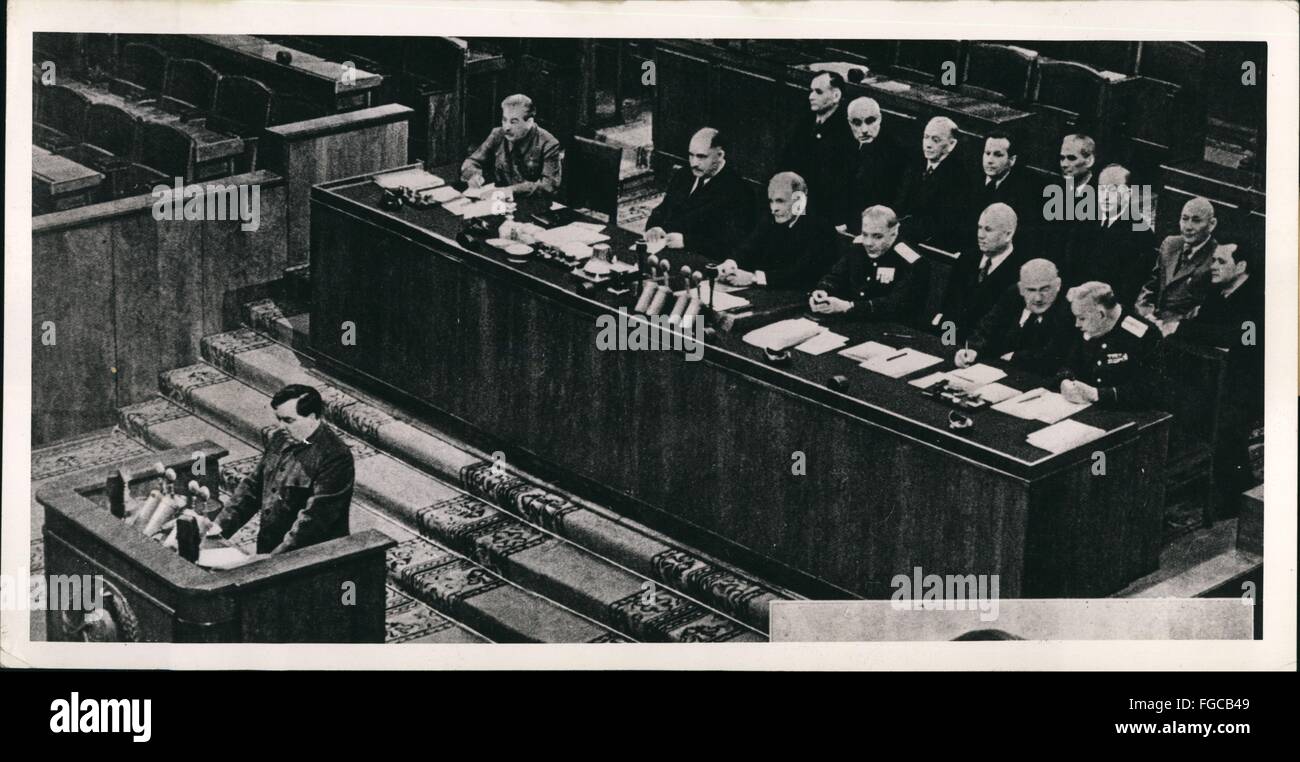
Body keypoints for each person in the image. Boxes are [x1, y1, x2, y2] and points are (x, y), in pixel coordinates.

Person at [208, 384, 356, 555]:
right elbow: (252, 487)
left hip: (310, 557)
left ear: (313, 417)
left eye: (288, 420)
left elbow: (314, 520)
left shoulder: (335, 456)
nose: (281, 427)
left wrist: (273, 559)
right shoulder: (280, 438)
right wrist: (217, 529)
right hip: (270, 549)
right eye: (279, 419)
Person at [1172, 243, 1264, 517]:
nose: (1212, 266)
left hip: (1247, 386)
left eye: (1220, 261)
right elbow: (1208, 330)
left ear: (1241, 267)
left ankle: (1236, 499)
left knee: (1224, 430)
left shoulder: (1257, 300)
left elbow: (1241, 339)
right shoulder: (1216, 292)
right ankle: (1195, 480)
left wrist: (1184, 327)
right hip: (1213, 378)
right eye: (1213, 260)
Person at [644, 127, 754, 260]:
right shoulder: (683, 175)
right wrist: (654, 227)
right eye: (691, 155)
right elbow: (663, 208)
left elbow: (731, 244)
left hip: (700, 260)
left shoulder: (738, 190)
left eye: (701, 157)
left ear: (720, 155)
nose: (694, 163)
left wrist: (687, 242)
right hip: (666, 252)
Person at [717, 172, 838, 291]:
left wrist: (754, 278)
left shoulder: (820, 228)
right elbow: (749, 246)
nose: (773, 208)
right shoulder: (771, 218)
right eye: (771, 201)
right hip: (771, 292)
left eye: (780, 201)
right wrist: (731, 264)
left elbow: (800, 273)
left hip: (799, 298)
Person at [1058, 163, 1158, 307]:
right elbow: (1068, 262)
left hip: (1106, 306)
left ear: (1128, 194)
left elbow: (1129, 287)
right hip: (1071, 298)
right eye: (1101, 189)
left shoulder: (1141, 234)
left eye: (1112, 190)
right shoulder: (1084, 219)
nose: (1105, 196)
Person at [810, 205, 929, 323]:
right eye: (865, 234)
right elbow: (836, 275)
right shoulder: (857, 247)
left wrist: (848, 307)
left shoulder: (911, 261)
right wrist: (823, 291)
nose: (868, 243)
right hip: (853, 321)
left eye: (877, 236)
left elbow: (895, 305)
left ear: (894, 232)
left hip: (889, 327)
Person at [1054, 281, 1164, 409]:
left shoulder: (1144, 334)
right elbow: (1070, 363)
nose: (1077, 324)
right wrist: (1064, 381)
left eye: (1082, 318)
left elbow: (1148, 392)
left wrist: (1097, 394)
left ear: (1101, 314)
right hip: (1082, 408)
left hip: (1125, 413)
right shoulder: (1090, 324)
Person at [954, 258, 1074, 376]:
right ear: (1021, 288)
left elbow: (1051, 356)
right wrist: (972, 349)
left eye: (1045, 289)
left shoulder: (1068, 311)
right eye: (1031, 290)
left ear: (1058, 285)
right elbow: (987, 326)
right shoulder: (1013, 294)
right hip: (998, 371)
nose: (1038, 298)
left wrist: (1013, 357)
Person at [933, 203, 1028, 340]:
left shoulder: (1020, 273)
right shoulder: (966, 258)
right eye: (979, 227)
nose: (980, 235)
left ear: (1008, 234)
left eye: (988, 230)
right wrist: (948, 342)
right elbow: (950, 306)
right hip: (951, 340)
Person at [1134, 196, 1220, 334]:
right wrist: (1146, 313)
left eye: (1196, 220)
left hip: (1180, 330)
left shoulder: (1217, 256)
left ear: (1212, 224)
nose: (1188, 227)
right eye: (1184, 219)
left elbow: (1204, 308)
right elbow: (1151, 285)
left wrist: (1171, 324)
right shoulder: (1170, 244)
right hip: (1151, 321)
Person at [778, 71, 857, 220]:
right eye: (811, 91)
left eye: (818, 92)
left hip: (823, 209)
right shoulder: (806, 121)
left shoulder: (846, 130)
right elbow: (787, 159)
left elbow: (838, 182)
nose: (811, 96)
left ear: (836, 96)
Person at [894, 116, 973, 252]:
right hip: (903, 233)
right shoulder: (915, 163)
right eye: (926, 137)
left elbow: (941, 223)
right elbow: (900, 201)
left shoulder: (958, 177)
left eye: (935, 140)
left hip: (929, 244)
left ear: (952, 144)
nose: (928, 144)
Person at [460, 93, 562, 199]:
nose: (507, 127)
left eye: (514, 122)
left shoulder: (548, 143)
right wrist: (473, 175)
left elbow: (549, 186)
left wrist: (510, 191)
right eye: (504, 120)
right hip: (498, 203)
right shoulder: (497, 134)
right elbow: (472, 161)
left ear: (529, 122)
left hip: (532, 205)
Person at [837, 97, 903, 233]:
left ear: (880, 119)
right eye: (857, 123)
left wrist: (848, 225)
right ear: (849, 123)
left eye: (870, 121)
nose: (864, 129)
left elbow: (887, 203)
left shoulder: (894, 152)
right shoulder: (842, 145)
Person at [971, 131, 1041, 247]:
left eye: (998, 155)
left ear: (1012, 160)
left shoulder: (1024, 191)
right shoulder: (972, 178)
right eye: (987, 153)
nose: (990, 160)